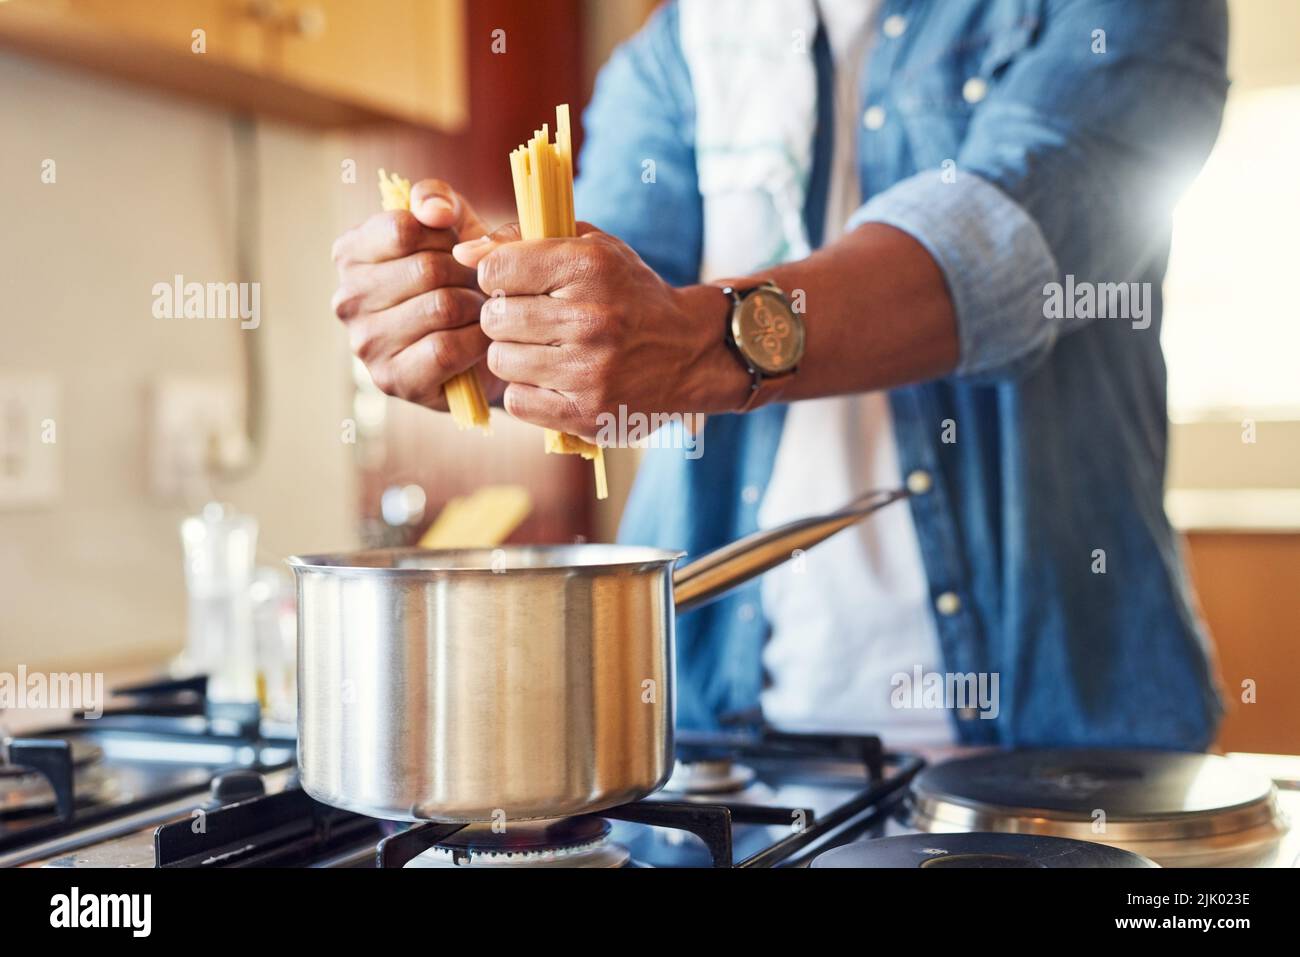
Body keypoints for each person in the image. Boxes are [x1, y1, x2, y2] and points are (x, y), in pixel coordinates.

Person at [330, 0, 1230, 749]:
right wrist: (475, 321)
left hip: (1064, 745)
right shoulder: (674, 52)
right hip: (721, 747)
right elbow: (606, 334)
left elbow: (1005, 254)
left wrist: (698, 339)